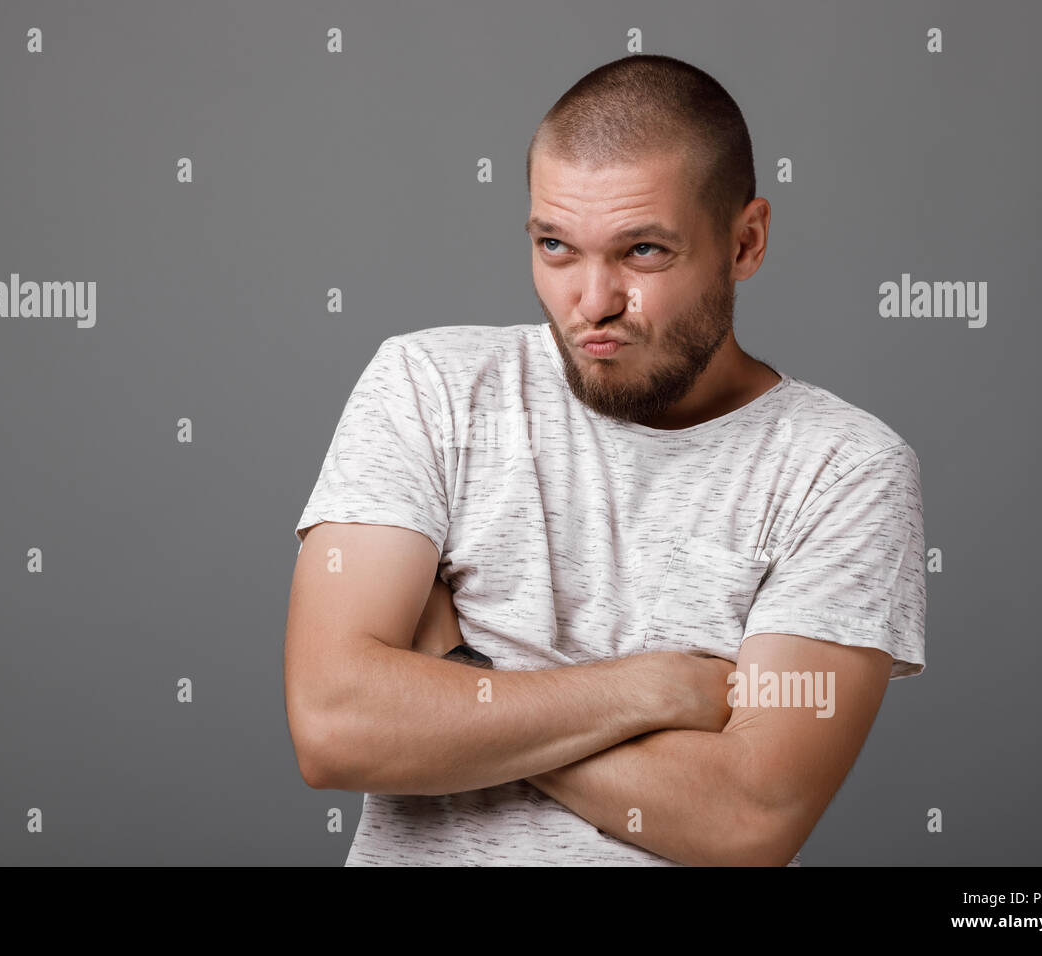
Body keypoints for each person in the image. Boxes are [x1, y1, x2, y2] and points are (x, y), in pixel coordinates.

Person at [284, 53, 926, 866]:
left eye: (644, 253)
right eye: (555, 246)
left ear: (746, 242)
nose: (591, 303)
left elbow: (745, 819)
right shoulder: (429, 388)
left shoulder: (844, 470)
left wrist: (454, 671)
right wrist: (647, 690)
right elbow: (337, 728)